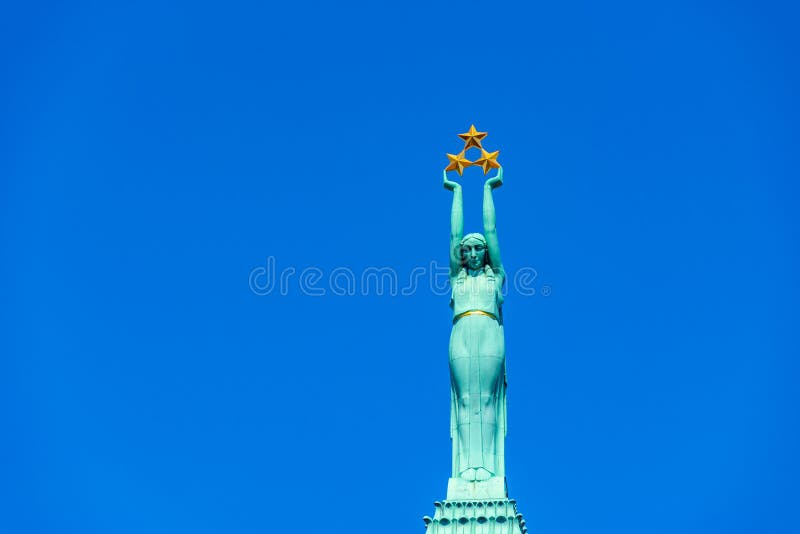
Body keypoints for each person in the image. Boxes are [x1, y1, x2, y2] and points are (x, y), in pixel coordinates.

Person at [443, 167, 507, 482]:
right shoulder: (456, 279)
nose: (471, 253)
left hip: (489, 331)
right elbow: (454, 236)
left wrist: (487, 188)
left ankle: (488, 467)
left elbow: (491, 230)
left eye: (477, 248)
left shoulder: (495, 276)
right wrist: (456, 191)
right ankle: (468, 467)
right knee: (466, 400)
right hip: (461, 333)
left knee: (486, 398)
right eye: (467, 250)